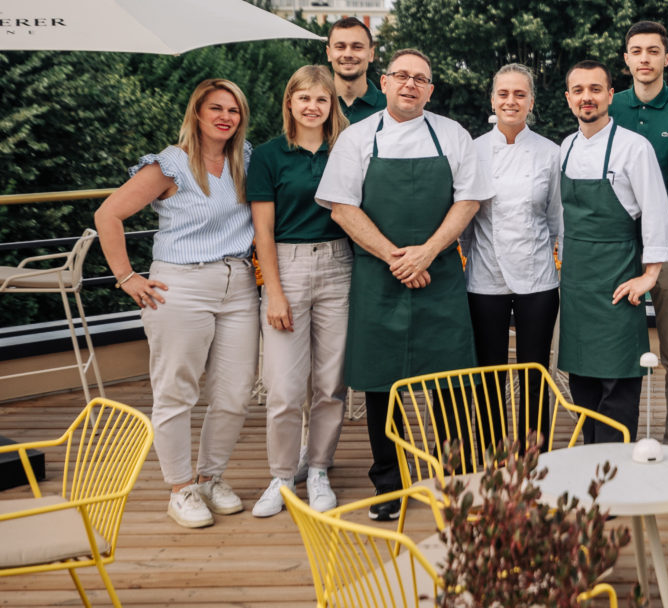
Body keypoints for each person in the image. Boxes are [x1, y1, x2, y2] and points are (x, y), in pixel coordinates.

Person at [315, 48, 490, 521]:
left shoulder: (452, 135)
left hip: (441, 275)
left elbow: (469, 200)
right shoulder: (356, 138)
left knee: (450, 385)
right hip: (380, 275)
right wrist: (397, 257)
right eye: (402, 76)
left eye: (421, 79)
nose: (411, 84)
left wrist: (427, 252)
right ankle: (389, 483)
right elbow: (342, 207)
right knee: (382, 387)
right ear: (386, 82)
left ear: (430, 90)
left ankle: (457, 480)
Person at [94, 78, 258, 529]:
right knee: (176, 391)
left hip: (239, 283)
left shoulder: (245, 160)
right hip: (181, 285)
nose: (226, 116)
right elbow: (107, 214)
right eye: (216, 108)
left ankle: (210, 478)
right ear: (198, 114)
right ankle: (180, 488)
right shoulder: (171, 164)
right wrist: (126, 277)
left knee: (235, 392)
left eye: (234, 110)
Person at [245, 65, 352, 518]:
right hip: (285, 266)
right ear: (289, 102)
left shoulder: (346, 150)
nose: (313, 106)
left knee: (330, 384)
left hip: (339, 266)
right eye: (303, 98)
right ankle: (283, 474)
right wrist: (273, 292)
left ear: (332, 106)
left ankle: (321, 467)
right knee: (285, 387)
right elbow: (262, 231)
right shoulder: (269, 156)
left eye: (321, 99)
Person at [558, 60, 668, 442]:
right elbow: (562, 217)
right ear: (568, 98)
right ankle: (591, 467)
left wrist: (650, 275)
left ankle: (617, 471)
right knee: (583, 384)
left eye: (595, 89)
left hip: (618, 279)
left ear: (610, 95)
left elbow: (657, 213)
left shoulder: (633, 147)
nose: (586, 98)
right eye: (578, 90)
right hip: (576, 283)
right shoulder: (566, 146)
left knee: (618, 383)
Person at [608, 20, 668, 447]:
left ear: (667, 58)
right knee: (611, 351)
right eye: (636, 51)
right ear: (626, 59)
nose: (644, 58)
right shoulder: (609, 106)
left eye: (653, 51)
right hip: (617, 251)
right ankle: (615, 436)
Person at [461, 64, 563, 379]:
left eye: (520, 94)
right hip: (485, 277)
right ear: (492, 100)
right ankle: (493, 432)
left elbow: (557, 221)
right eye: (503, 94)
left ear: (531, 102)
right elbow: (464, 225)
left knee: (535, 372)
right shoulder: (472, 151)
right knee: (488, 373)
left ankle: (534, 432)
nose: (511, 101)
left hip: (538, 278)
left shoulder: (551, 153)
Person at [326, 17, 385, 123]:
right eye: (340, 47)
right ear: (329, 53)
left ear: (371, 54)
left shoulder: (390, 108)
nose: (348, 54)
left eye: (357, 47)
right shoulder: (313, 107)